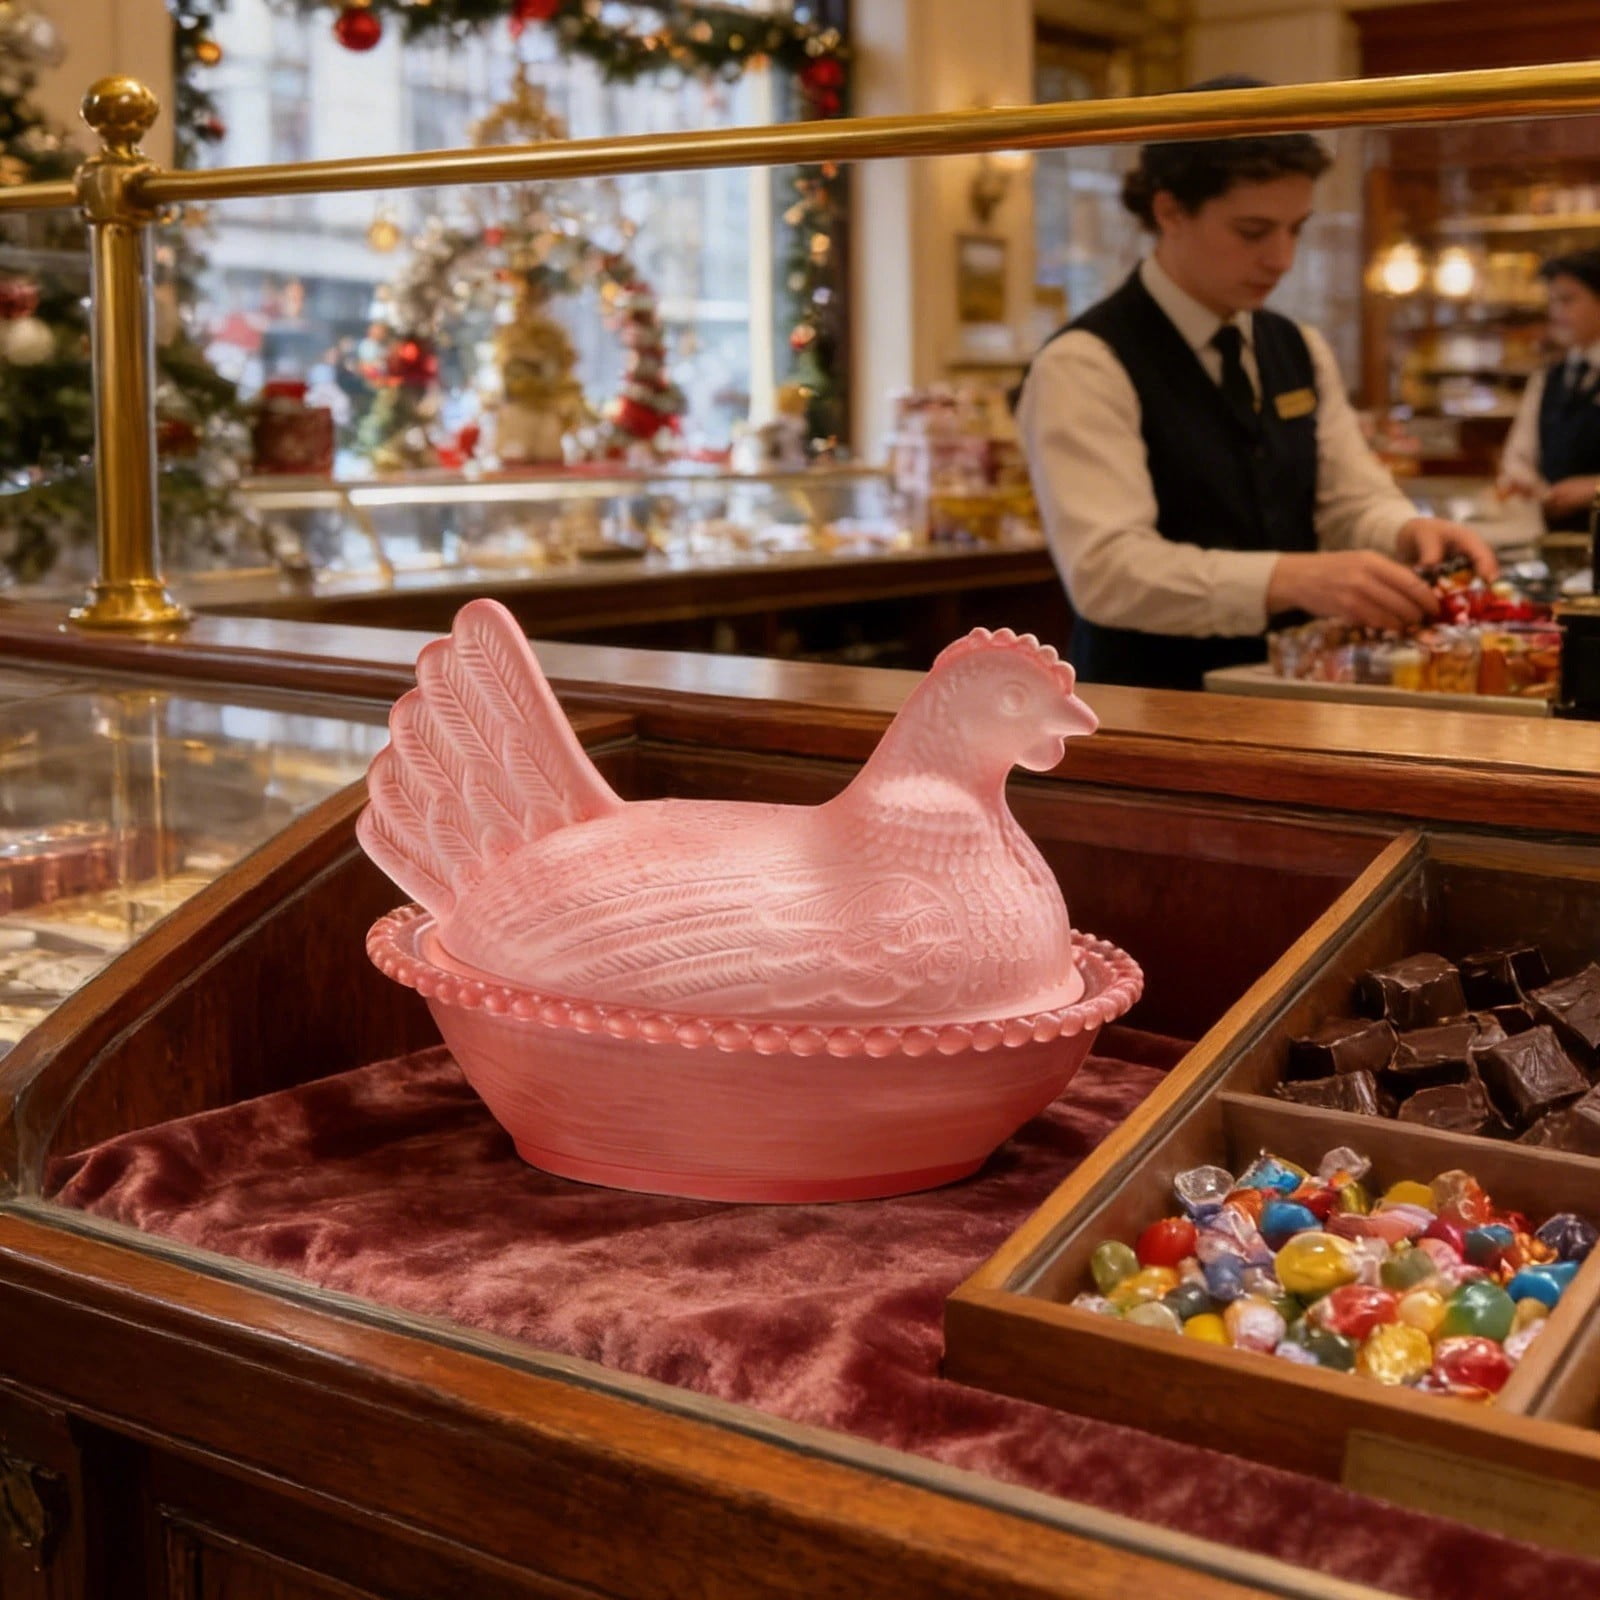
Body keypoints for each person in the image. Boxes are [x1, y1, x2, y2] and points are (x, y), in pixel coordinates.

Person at [1017, 77, 1497, 691]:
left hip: (1289, 693)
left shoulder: (1298, 347)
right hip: (1147, 710)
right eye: (1253, 231)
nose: (1282, 258)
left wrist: (1405, 530)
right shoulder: (1085, 363)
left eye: (1296, 228)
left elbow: (1350, 498)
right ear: (1170, 211)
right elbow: (1108, 573)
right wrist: (1291, 580)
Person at [1499, 248, 1600, 530]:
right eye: (1552, 301)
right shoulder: (1548, 377)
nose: (1556, 313)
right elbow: (1518, 458)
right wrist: (1528, 485)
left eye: (1567, 300)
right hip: (1555, 540)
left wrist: (1594, 488)